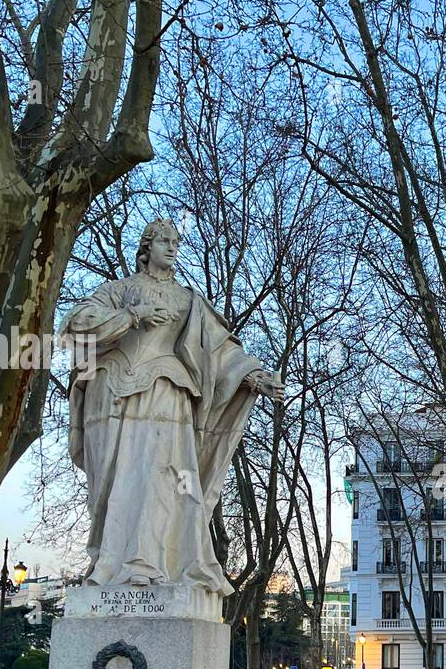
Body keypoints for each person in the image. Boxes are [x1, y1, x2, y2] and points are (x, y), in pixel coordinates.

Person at [61, 218, 282, 594]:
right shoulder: (119, 291)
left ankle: (148, 561)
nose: (172, 247)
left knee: (164, 478)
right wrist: (131, 317)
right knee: (116, 480)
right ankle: (111, 560)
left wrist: (253, 376)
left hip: (170, 393)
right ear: (147, 248)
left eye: (176, 241)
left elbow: (220, 350)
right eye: (164, 241)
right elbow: (76, 325)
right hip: (115, 395)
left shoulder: (188, 300)